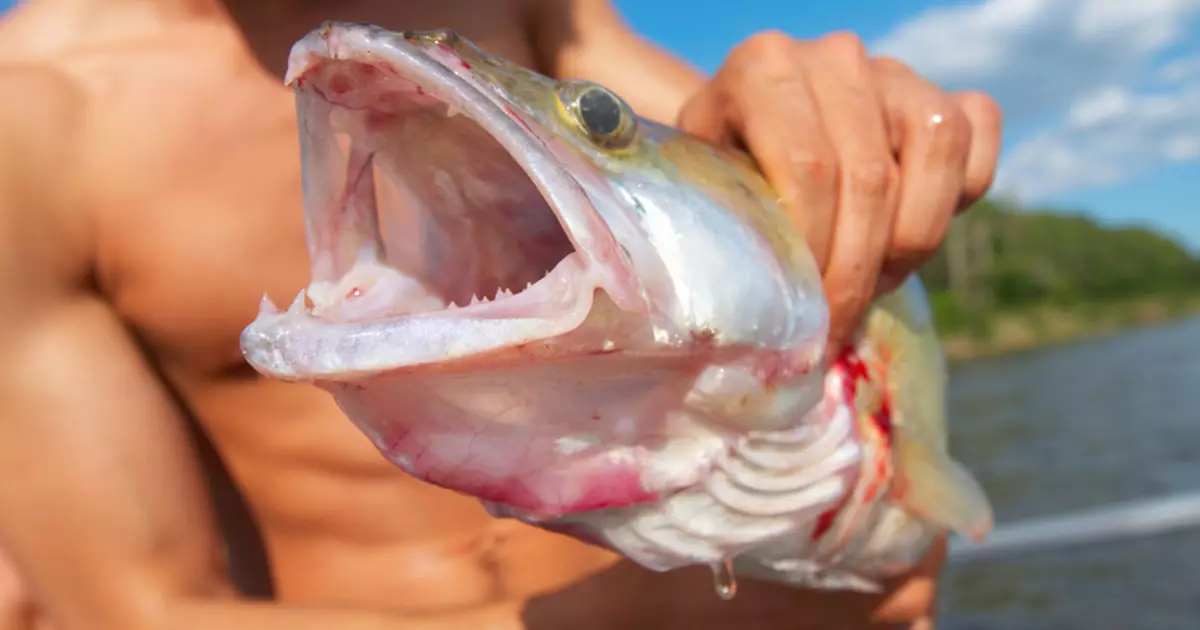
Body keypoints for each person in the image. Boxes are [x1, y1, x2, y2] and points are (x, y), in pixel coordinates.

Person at [0, 0, 1001, 628]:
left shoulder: (552, 19)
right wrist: (625, 620)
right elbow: (123, 610)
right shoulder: (33, 116)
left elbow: (752, 221)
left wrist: (843, 118)